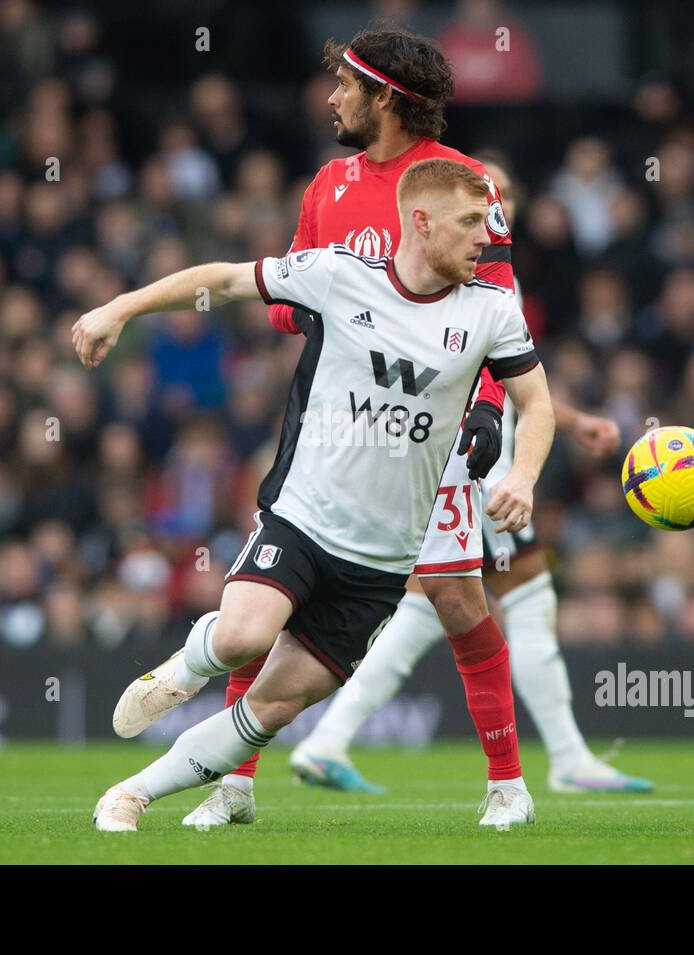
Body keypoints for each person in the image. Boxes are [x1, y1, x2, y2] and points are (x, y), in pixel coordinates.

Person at [180, 26, 646, 830]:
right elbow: (289, 302)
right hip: (331, 434)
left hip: (433, 434)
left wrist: (494, 415)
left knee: (461, 599)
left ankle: (509, 784)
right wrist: (344, 300)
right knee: (270, 599)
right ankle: (235, 784)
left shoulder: (464, 184)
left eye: (344, 86)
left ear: (384, 96)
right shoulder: (327, 185)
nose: (331, 99)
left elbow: (499, 308)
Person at [77, 157, 555, 831]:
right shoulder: (338, 274)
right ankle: (185, 666)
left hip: (380, 565)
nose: (489, 237)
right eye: (473, 222)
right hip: (303, 520)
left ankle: (131, 792)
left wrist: (523, 475)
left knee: (269, 712)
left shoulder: (491, 311)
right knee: (243, 637)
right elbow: (223, 280)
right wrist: (120, 307)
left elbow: (539, 407)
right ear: (420, 222)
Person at [290, 157, 653, 798]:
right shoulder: (460, 280)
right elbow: (481, 378)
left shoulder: (485, 280)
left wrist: (570, 422)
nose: (492, 221)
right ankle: (563, 760)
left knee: (438, 604)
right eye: (484, 207)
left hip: (484, 454)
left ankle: (327, 739)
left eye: (499, 204)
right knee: (513, 594)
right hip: (473, 465)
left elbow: (513, 378)